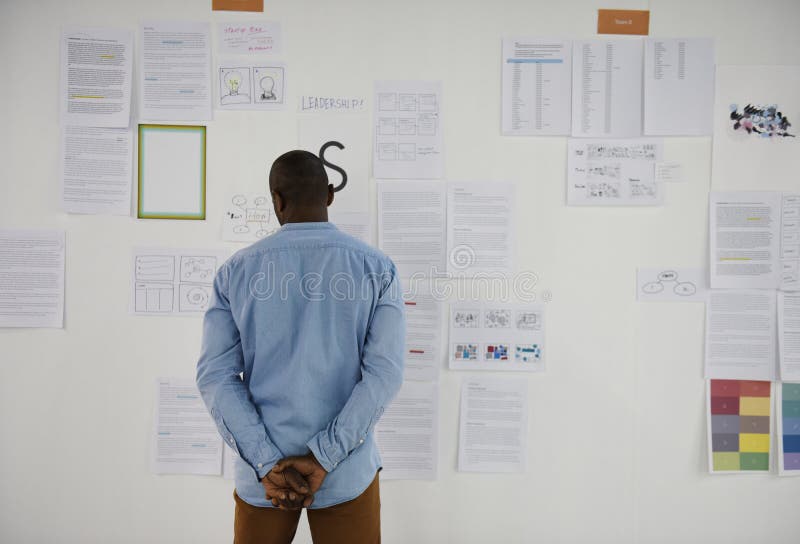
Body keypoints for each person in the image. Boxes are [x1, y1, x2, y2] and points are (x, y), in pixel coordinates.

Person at [197, 150, 405, 544]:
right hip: (346, 474)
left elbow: (217, 377)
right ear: (329, 195)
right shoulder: (378, 269)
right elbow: (384, 375)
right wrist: (324, 457)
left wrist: (265, 461)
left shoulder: (235, 272)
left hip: (266, 483)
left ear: (276, 200)